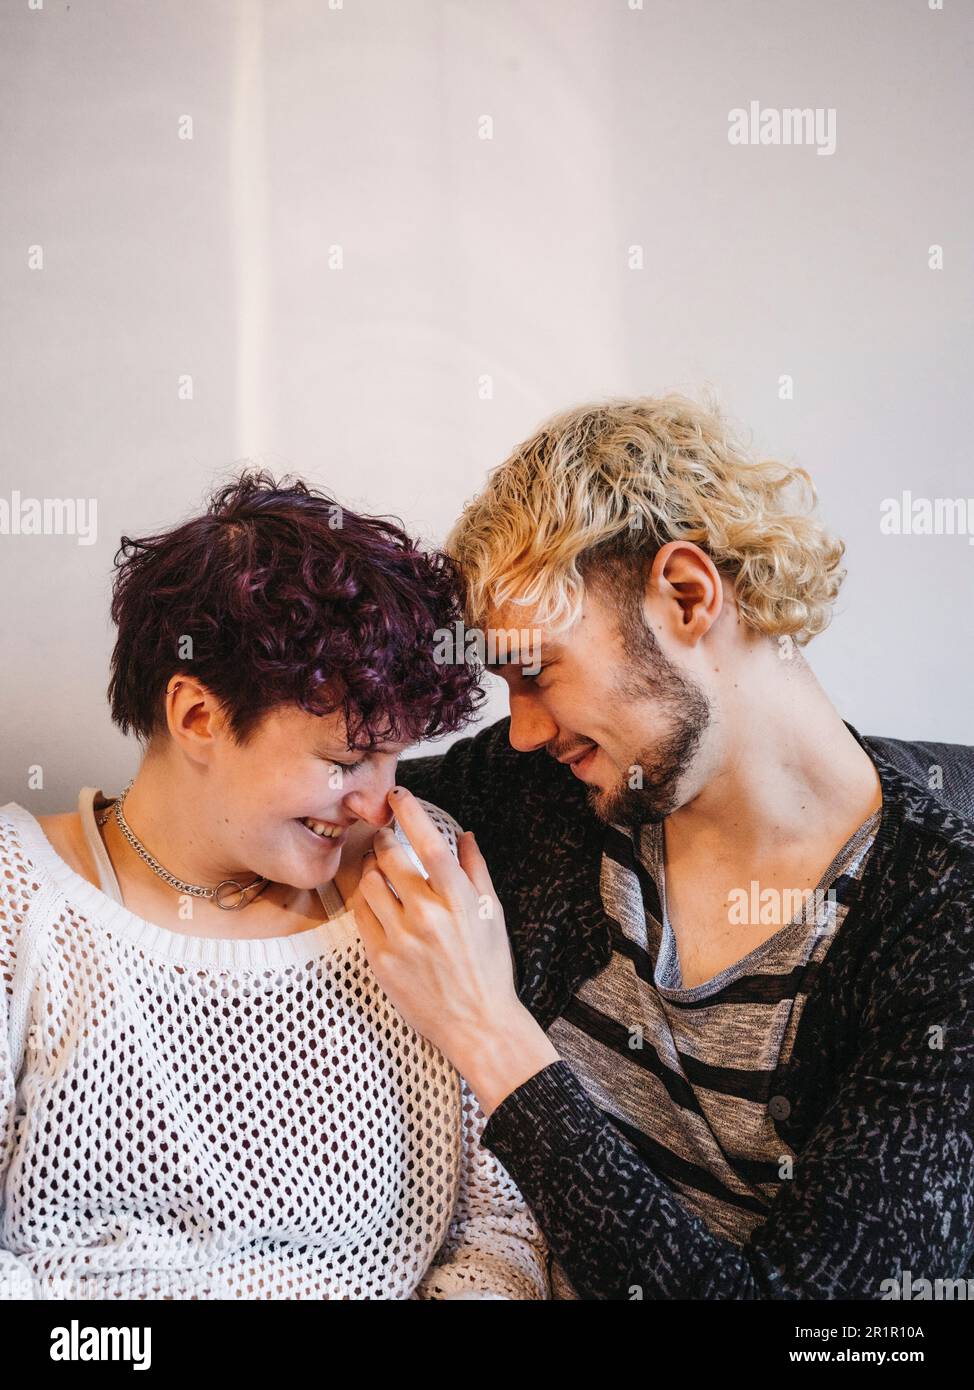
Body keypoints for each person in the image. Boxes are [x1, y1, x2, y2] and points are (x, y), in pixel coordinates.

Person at [352, 393, 974, 1300]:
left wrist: (488, 1032)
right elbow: (306, 798)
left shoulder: (941, 929)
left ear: (687, 595)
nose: (521, 730)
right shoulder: (550, 791)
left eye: (537, 671)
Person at [0, 471, 548, 1301]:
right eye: (342, 761)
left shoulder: (412, 870)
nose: (378, 798)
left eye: (393, 756)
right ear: (197, 718)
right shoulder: (19, 900)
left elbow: (498, 1225)